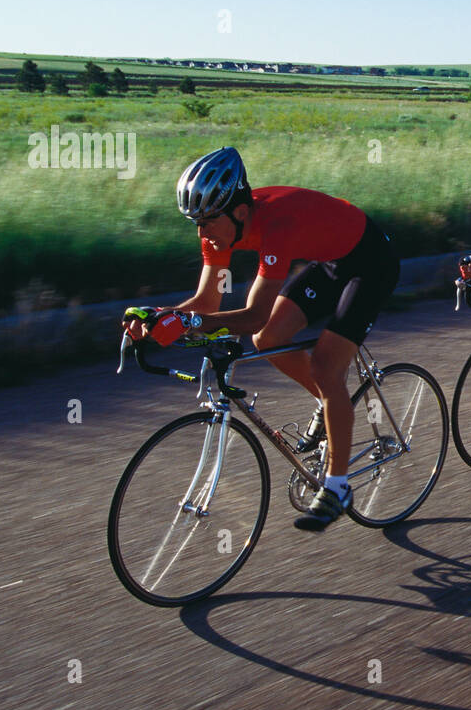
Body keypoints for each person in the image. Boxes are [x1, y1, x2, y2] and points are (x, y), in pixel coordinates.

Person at [124, 146, 400, 531]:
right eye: (195, 223)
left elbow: (252, 314)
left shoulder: (276, 226)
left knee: (325, 366)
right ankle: (330, 403)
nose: (201, 233)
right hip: (330, 261)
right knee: (267, 340)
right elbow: (206, 301)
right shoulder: (217, 230)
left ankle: (338, 487)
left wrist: (188, 323)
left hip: (371, 264)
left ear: (238, 212)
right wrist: (161, 318)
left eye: (207, 222)